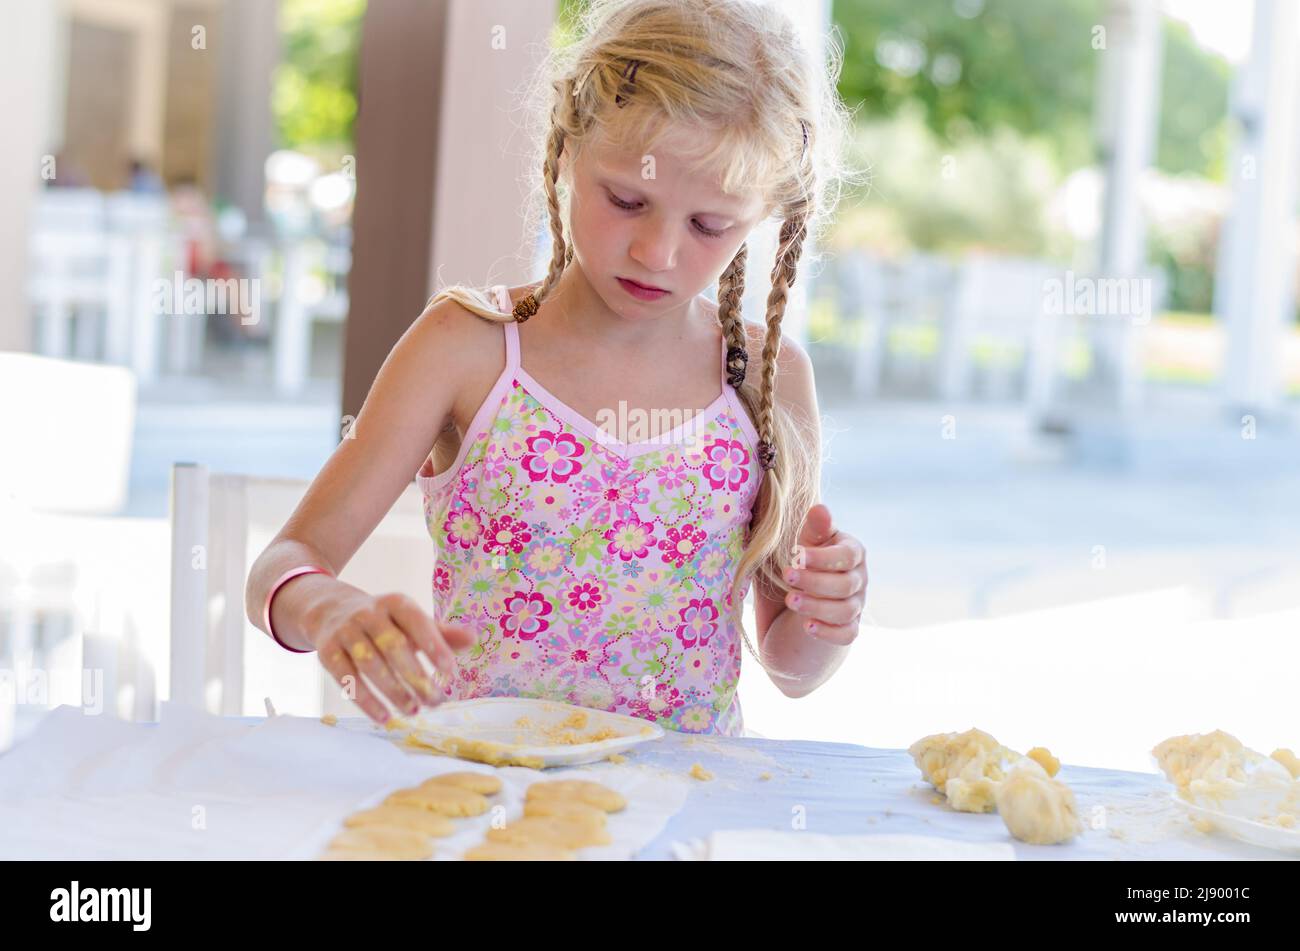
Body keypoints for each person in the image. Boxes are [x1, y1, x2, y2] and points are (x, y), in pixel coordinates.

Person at [246, 0, 868, 736]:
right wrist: (326, 606)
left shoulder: (766, 376)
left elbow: (791, 667)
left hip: (688, 807)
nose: (657, 252)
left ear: (762, 214)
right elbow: (283, 564)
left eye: (710, 224)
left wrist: (828, 615)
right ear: (568, 150)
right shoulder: (466, 348)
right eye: (627, 199)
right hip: (485, 789)